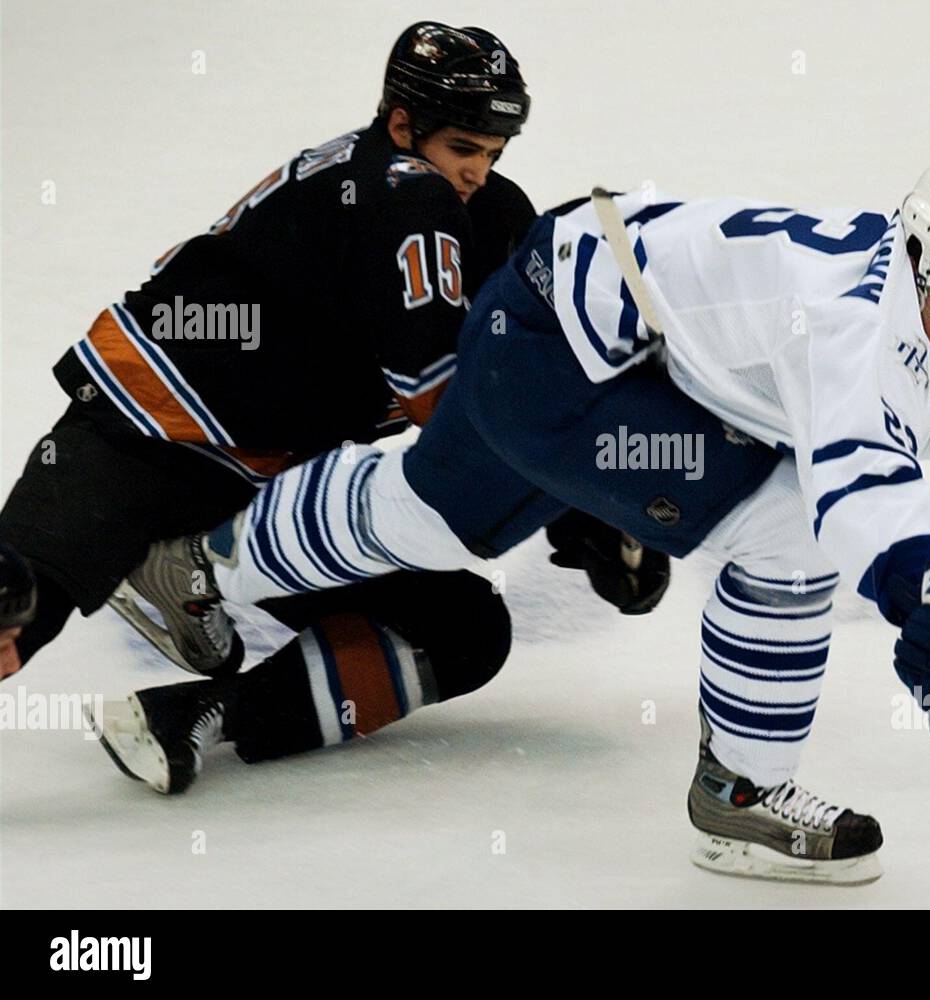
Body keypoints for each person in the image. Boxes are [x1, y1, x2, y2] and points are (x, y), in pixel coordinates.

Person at [109, 165, 930, 884]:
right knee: (791, 523)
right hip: (565, 355)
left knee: (433, 508)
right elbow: (856, 479)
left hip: (578, 315)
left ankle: (200, 557)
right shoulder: (854, 315)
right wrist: (927, 590)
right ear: (915, 267)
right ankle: (739, 794)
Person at [0, 22, 665, 793]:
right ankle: (169, 557)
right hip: (148, 432)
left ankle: (204, 704)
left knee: (463, 631)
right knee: (17, 608)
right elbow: (449, 403)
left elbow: (496, 380)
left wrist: (580, 497)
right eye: (463, 149)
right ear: (401, 125)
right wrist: (582, 503)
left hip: (256, 484)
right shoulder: (407, 198)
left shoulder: (470, 208)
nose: (478, 173)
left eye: (492, 152)